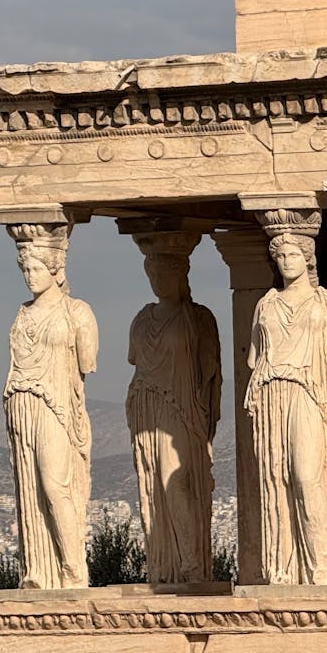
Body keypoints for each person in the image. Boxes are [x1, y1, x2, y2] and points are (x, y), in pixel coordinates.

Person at [246, 233, 327, 585]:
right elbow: (253, 358)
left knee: (307, 476)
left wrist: (314, 382)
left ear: (307, 258)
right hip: (272, 394)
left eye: (293, 254)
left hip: (310, 393)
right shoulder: (266, 304)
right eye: (280, 256)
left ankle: (318, 570)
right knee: (277, 478)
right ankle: (283, 572)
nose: (286, 261)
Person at [4, 229, 97, 589]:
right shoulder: (22, 313)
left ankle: (74, 570)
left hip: (56, 404)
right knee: (30, 488)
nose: (30, 276)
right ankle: (41, 572)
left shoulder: (77, 312)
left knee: (54, 483)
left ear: (54, 268)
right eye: (25, 269)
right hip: (21, 403)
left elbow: (87, 362)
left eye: (36, 268)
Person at [127, 233, 221, 584]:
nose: (158, 281)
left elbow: (210, 371)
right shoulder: (142, 318)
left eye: (165, 274)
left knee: (174, 477)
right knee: (152, 481)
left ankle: (192, 561)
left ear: (182, 275)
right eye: (152, 274)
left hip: (183, 407)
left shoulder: (199, 318)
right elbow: (135, 359)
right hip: (146, 403)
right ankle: (165, 566)